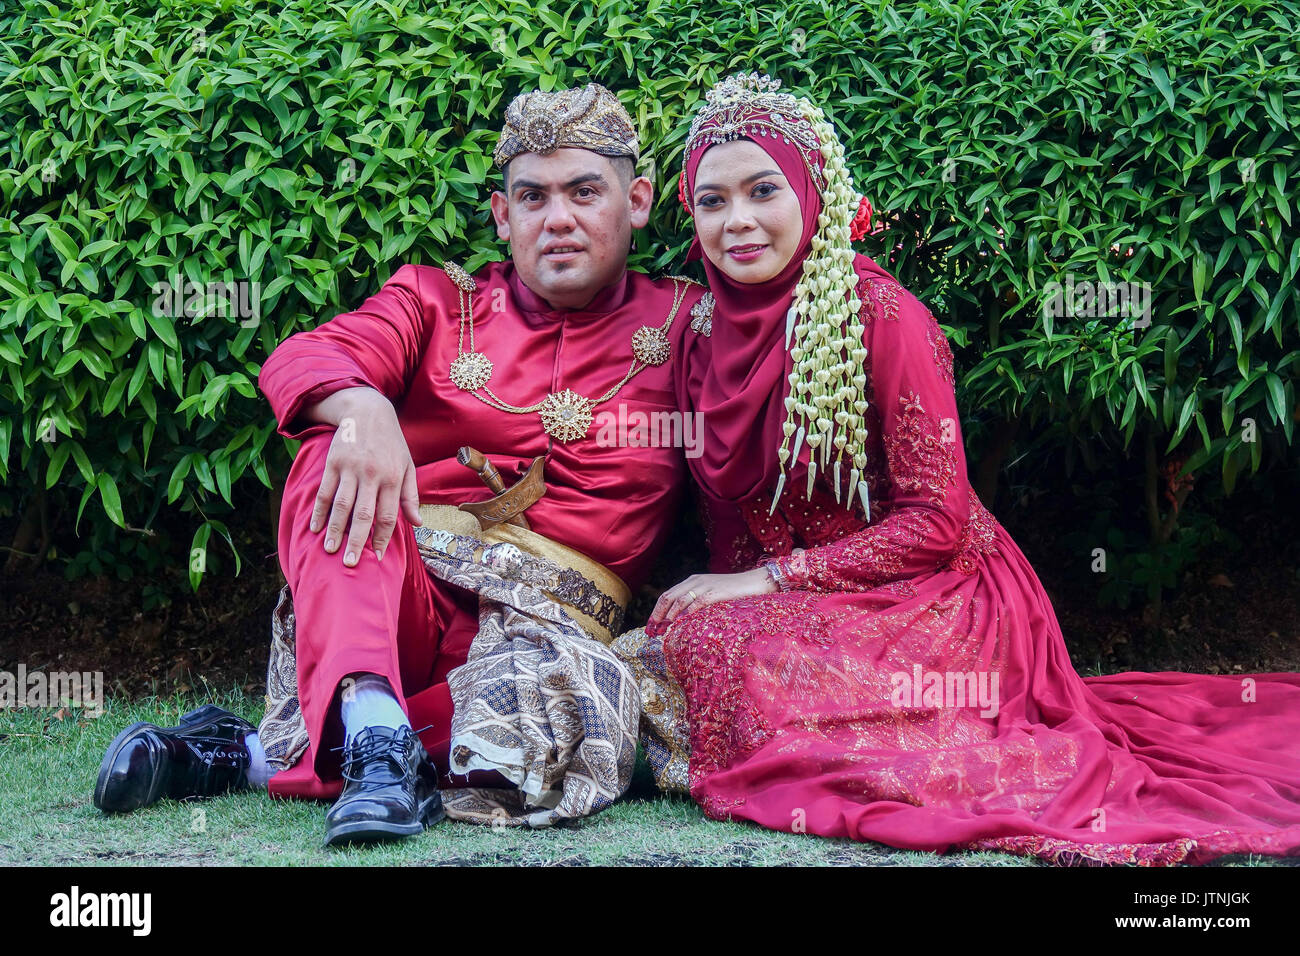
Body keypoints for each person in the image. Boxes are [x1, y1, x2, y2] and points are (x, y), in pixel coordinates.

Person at [619, 72, 1300, 865]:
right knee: (706, 636)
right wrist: (733, 599)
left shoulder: (883, 319)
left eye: (762, 191)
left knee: (741, 650)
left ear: (814, 194)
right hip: (808, 604)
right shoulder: (701, 333)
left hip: (941, 598)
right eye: (712, 201)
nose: (737, 221)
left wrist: (763, 590)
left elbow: (936, 523)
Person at [93, 82, 711, 846]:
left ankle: (244, 755)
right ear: (501, 214)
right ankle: (378, 732)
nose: (558, 219)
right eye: (532, 197)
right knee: (333, 448)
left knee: (562, 699)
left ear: (639, 200)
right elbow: (306, 358)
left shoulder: (693, 324)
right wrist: (363, 408)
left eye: (586, 192)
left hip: (551, 641)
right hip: (395, 612)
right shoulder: (434, 300)